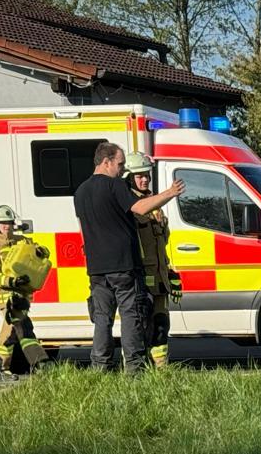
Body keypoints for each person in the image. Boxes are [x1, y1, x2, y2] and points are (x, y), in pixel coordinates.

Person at [73, 141, 183, 372]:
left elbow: (83, 230)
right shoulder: (114, 186)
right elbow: (140, 208)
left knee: (102, 319)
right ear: (106, 162)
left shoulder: (81, 191)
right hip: (124, 265)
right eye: (120, 164)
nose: (122, 170)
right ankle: (134, 368)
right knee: (131, 316)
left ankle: (100, 367)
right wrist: (170, 193)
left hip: (96, 269)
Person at [125, 152, 179, 369]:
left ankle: (161, 368)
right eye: (139, 176)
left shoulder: (155, 203)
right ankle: (139, 368)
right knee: (141, 325)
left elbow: (162, 241)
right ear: (130, 178)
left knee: (160, 324)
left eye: (146, 174)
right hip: (141, 278)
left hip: (159, 277)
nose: (144, 179)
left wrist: (170, 272)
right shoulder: (130, 206)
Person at [0, 204, 47, 379]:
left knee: (20, 329)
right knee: (14, 329)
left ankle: (37, 364)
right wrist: (12, 281)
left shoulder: (22, 240)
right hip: (6, 294)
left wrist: (41, 251)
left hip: (23, 293)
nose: (7, 226)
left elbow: (41, 252)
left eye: (9, 222)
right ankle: (5, 367)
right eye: (3, 223)